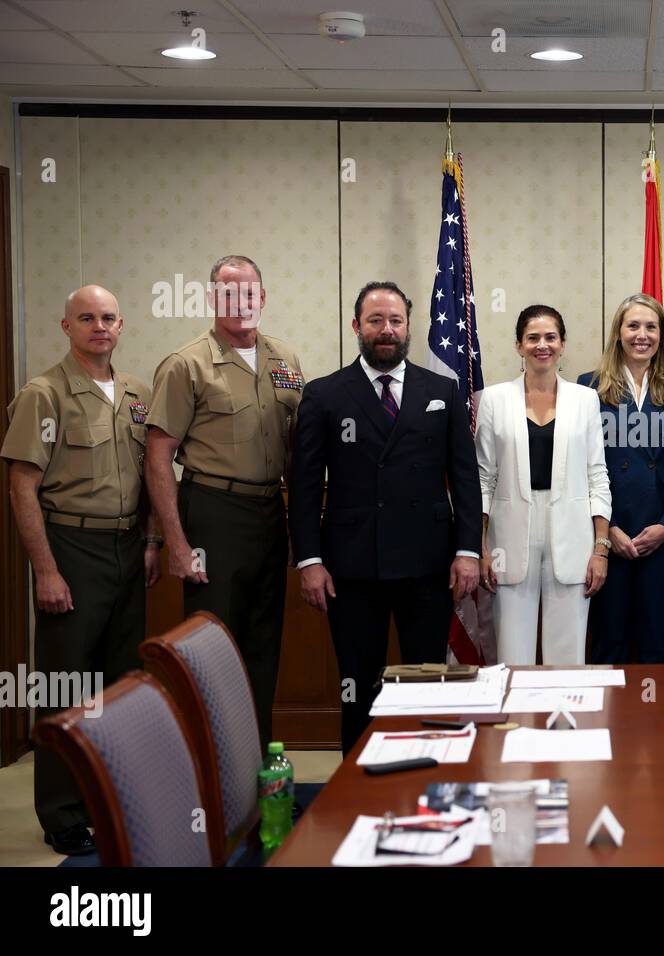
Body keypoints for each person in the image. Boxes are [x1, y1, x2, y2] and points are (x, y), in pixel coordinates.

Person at [288, 282, 481, 755]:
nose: (386, 330)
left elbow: (466, 478)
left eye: (395, 320)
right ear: (357, 326)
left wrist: (468, 550)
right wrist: (309, 559)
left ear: (409, 327)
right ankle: (358, 783)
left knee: (427, 682)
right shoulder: (324, 395)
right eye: (375, 320)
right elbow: (306, 487)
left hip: (428, 565)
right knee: (359, 684)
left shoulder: (443, 391)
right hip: (352, 570)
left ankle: (431, 771)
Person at [2, 285, 160, 856]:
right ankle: (63, 812)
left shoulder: (139, 393)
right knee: (68, 684)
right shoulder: (43, 395)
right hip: (70, 546)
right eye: (87, 317)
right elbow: (22, 486)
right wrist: (44, 570)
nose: (100, 326)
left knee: (120, 684)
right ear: (65, 326)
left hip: (127, 549)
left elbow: (150, 474)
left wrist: (149, 541)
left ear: (122, 326)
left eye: (109, 317)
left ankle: (112, 798)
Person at [145, 254, 303, 745]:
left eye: (250, 291)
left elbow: (298, 449)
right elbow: (158, 457)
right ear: (213, 299)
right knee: (211, 653)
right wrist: (174, 542)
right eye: (229, 292)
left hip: (268, 514)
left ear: (263, 298)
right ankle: (211, 787)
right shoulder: (185, 364)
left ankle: (257, 782)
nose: (241, 302)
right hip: (212, 513)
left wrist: (300, 531)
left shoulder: (286, 360)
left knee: (262, 649)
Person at [476, 305, 611, 664]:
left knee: (567, 660)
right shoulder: (493, 399)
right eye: (532, 337)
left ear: (562, 344)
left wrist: (601, 549)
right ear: (519, 346)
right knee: (512, 658)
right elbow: (483, 478)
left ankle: (565, 721)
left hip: (572, 537)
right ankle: (513, 720)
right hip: (509, 538)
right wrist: (482, 546)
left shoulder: (586, 400)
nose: (542, 345)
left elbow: (598, 475)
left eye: (550, 337)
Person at [578, 293, 664, 664]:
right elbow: (580, 464)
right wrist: (607, 530)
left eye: (651, 327)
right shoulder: (589, 387)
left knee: (657, 641)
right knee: (608, 642)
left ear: (662, 336)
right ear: (618, 332)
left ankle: (656, 720)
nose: (642, 335)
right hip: (607, 537)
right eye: (633, 325)